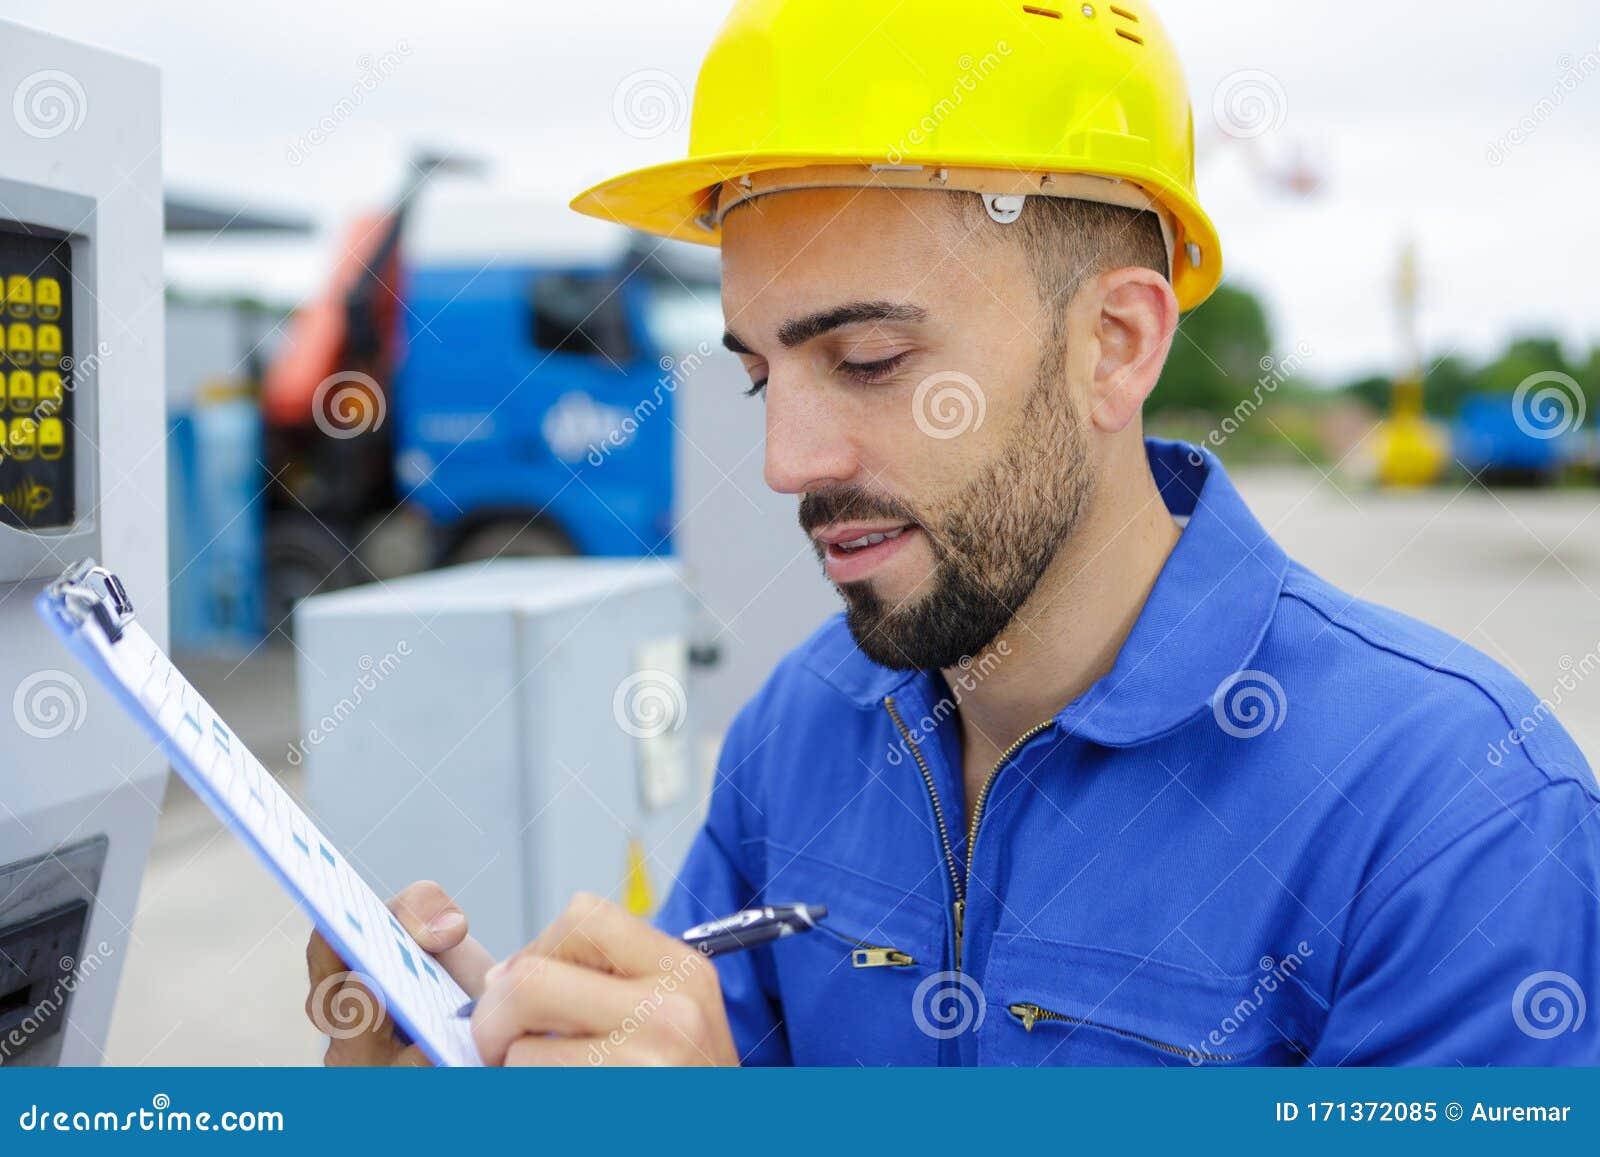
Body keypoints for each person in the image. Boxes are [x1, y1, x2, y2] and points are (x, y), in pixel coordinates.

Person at [307, 0, 1600, 1066]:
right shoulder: (803, 733)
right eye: (762, 373)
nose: (783, 462)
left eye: (868, 359)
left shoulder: (1452, 825)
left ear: (1116, 343)